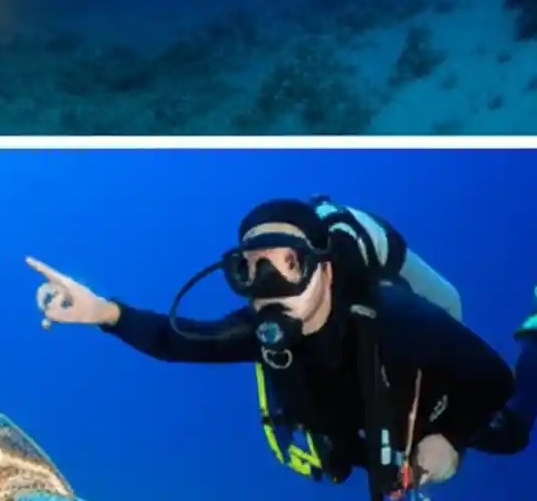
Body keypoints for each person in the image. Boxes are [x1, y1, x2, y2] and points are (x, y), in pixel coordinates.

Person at [28, 196, 535, 501]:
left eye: (287, 264)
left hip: (416, 398)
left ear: (325, 268)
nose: (267, 285)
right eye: (250, 269)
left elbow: (494, 379)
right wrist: (103, 313)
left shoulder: (393, 317)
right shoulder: (257, 331)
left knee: (511, 435)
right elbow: (175, 340)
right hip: (352, 430)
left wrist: (449, 435)